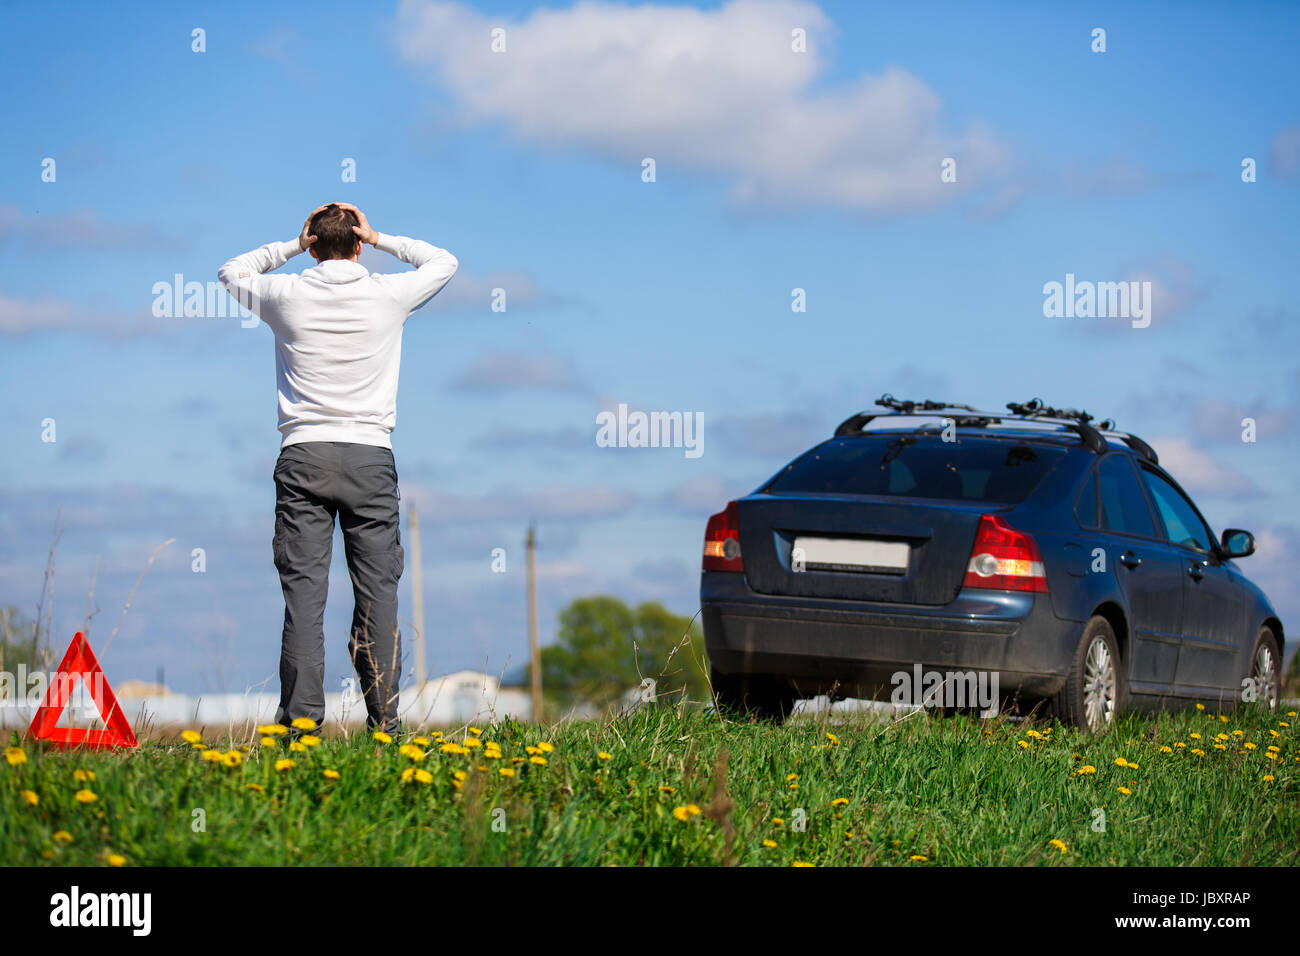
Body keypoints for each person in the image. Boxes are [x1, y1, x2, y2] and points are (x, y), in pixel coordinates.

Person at [217, 202, 458, 734]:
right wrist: (380, 237)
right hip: (371, 457)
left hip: (303, 454)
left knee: (304, 596)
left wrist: (289, 246)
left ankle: (301, 729)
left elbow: (231, 271)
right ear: (355, 244)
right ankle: (386, 726)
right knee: (379, 593)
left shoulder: (285, 294)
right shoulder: (388, 294)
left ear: (314, 244)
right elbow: (443, 262)